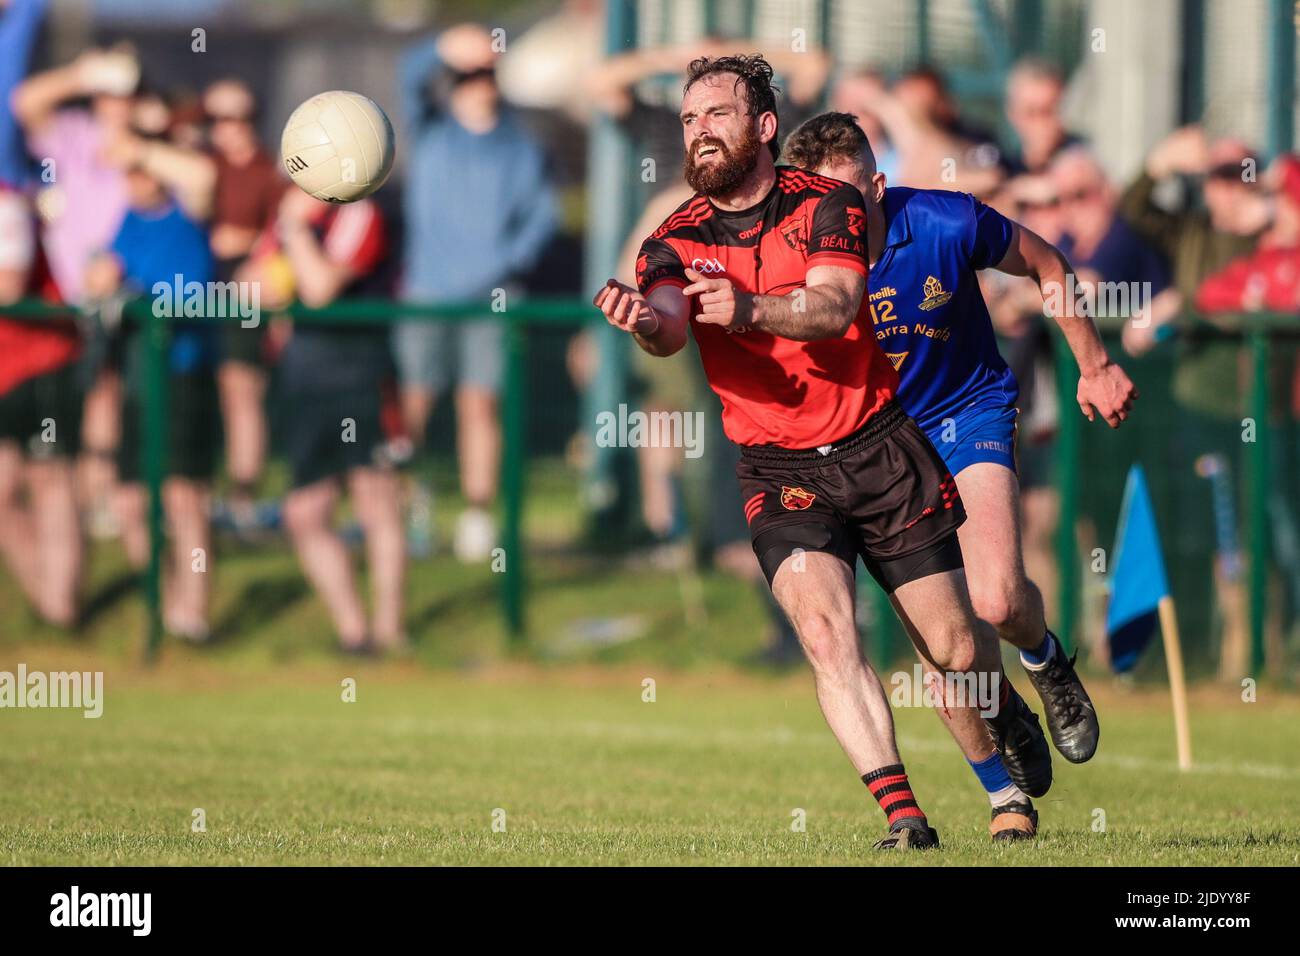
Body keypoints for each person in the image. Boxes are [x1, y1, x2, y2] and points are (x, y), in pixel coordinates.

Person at [594, 55, 1054, 849]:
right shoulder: (673, 238)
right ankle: (905, 820)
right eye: (689, 120)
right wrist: (645, 322)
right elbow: (670, 325)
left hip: (877, 445)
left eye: (717, 115)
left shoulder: (828, 205)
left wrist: (748, 308)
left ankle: (1006, 706)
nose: (699, 132)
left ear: (764, 127)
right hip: (777, 465)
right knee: (825, 631)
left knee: (952, 646)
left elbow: (836, 308)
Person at [786, 111, 1139, 772]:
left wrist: (1094, 367)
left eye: (852, 197)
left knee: (998, 598)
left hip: (964, 411)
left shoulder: (945, 222)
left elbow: (1047, 263)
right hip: (880, 446)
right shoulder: (786, 264)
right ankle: (1003, 732)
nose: (840, 217)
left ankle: (1045, 658)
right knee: (945, 648)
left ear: (879, 185)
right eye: (820, 202)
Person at [395, 22, 558, 562]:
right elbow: (408, 75)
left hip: (493, 298)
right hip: (426, 290)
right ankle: (405, 506)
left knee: (479, 405)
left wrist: (501, 265)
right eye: (465, 75)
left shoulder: (521, 146)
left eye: (485, 73)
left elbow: (540, 220)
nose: (477, 82)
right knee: (412, 402)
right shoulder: (433, 130)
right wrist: (443, 46)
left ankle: (476, 514)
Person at [240, 188, 406, 656]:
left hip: (361, 374)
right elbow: (249, 286)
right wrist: (287, 245)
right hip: (304, 379)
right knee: (305, 512)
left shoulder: (360, 213)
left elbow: (318, 289)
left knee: (376, 503)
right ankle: (355, 635)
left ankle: (391, 632)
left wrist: (292, 234)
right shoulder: (293, 215)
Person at [86, 123, 219, 641]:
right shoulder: (123, 223)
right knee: (130, 502)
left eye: (143, 167)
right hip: (138, 378)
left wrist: (138, 146)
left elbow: (202, 175)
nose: (135, 177)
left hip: (183, 372)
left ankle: (194, 611)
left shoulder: (186, 212)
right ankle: (159, 607)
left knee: (186, 498)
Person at [203, 78, 285, 533]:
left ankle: (242, 496)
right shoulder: (203, 165)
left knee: (241, 392)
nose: (227, 128)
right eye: (216, 118)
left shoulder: (269, 171)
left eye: (237, 118)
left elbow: (280, 236)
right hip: (198, 283)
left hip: (246, 284)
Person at [0, 187, 82, 627]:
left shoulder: (6, 205)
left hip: (39, 363)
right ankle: (45, 606)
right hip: (3, 369)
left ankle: (62, 610)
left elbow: (9, 285)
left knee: (49, 478)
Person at [1002, 58, 1082, 176]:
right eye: (1031, 113)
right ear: (1012, 114)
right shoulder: (1003, 169)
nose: (1040, 123)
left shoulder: (1086, 155)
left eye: (1049, 111)